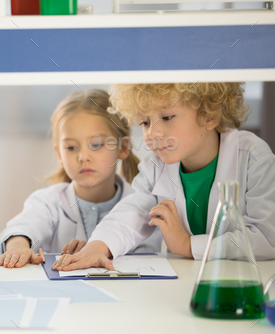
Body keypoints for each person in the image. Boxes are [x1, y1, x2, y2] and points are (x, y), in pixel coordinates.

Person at [53, 82, 275, 272]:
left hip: (242, 285)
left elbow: (267, 238)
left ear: (210, 115)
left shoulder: (252, 158)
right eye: (145, 122)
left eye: (167, 117)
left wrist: (188, 245)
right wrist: (97, 247)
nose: (152, 133)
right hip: (183, 285)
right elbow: (131, 214)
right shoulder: (155, 166)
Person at [0, 89, 162, 268]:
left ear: (123, 147)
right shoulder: (48, 202)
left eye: (96, 144)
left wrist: (97, 252)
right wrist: (18, 247)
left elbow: (146, 261)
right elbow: (25, 226)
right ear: (59, 153)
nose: (83, 156)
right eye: (71, 147)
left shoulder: (144, 205)